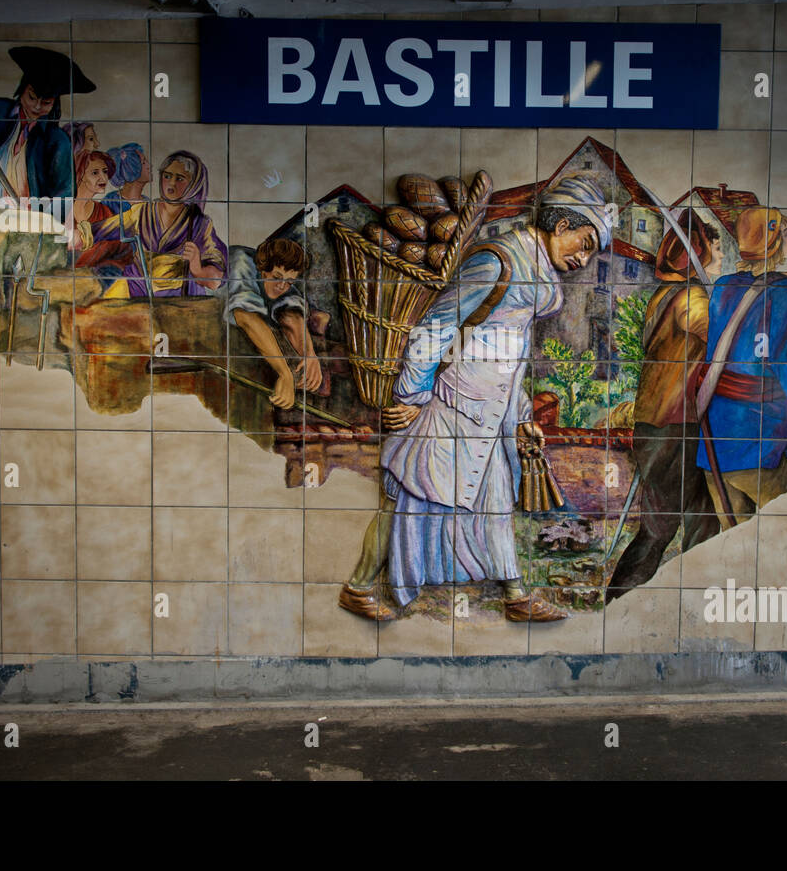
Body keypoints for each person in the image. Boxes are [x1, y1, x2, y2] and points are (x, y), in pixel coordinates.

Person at [339, 173, 612, 622]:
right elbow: (437, 326)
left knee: (496, 505)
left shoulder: (539, 271)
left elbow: (512, 354)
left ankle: (515, 596)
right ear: (560, 226)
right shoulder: (497, 260)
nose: (583, 259)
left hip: (493, 415)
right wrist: (412, 394)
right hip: (450, 405)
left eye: (591, 252)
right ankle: (359, 587)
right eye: (583, 243)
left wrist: (521, 413)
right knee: (414, 497)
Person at [606, 210, 724, 603]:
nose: (721, 258)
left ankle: (691, 595)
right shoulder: (690, 297)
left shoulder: (665, 293)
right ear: (699, 255)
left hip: (666, 422)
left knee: (703, 517)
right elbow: (717, 336)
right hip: (671, 424)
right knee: (659, 525)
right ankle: (619, 600)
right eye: (716, 250)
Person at [697, 207, 787, 526]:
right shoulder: (786, 294)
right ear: (771, 243)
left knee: (733, 542)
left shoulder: (724, 288)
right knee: (783, 533)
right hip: (759, 443)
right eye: (785, 234)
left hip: (715, 441)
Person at [0, 45, 95, 218]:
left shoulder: (57, 140)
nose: (36, 107)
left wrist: (45, 226)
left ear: (54, 103)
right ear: (22, 90)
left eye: (46, 102)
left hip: (22, 222)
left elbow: (65, 193)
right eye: (31, 97)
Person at [91, 150, 227, 298]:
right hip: (136, 291)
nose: (171, 183)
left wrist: (197, 268)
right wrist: (78, 234)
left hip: (178, 301)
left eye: (180, 178)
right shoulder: (142, 211)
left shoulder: (200, 224)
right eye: (167, 176)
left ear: (193, 184)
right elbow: (101, 230)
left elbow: (216, 280)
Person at [221, 236, 322, 409]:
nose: (282, 286)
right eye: (277, 277)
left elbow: (292, 314)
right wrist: (285, 374)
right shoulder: (241, 263)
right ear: (263, 271)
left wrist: (309, 353)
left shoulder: (282, 282)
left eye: (290, 282)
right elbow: (246, 316)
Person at [67, 149, 116, 252]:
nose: (103, 178)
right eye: (95, 173)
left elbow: (111, 249)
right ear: (80, 174)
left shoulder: (104, 212)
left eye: (105, 171)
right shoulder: (62, 208)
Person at [101, 143, 150, 214]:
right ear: (130, 169)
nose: (149, 166)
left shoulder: (148, 203)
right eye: (144, 163)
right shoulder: (110, 202)